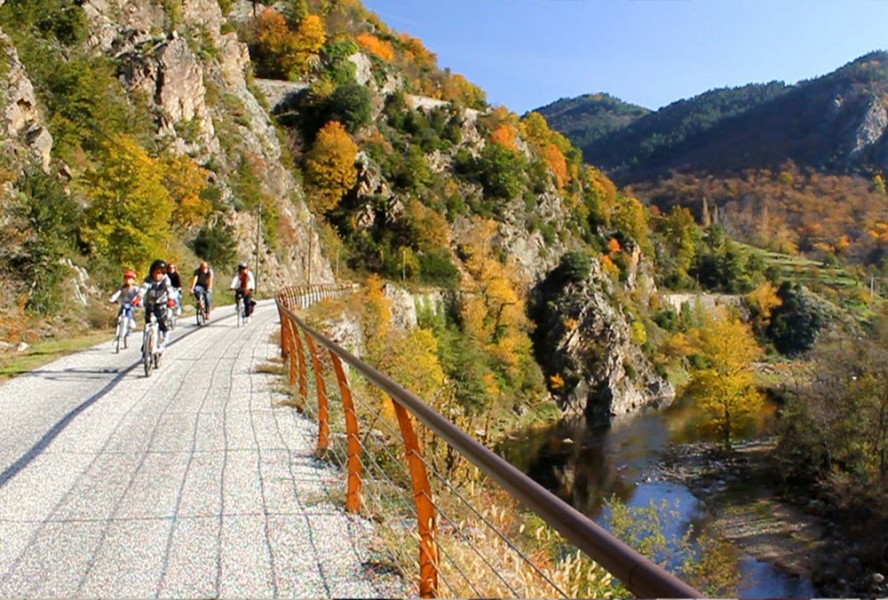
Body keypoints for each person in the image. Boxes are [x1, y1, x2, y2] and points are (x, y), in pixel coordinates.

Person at [138, 259, 177, 351]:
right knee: (147, 324)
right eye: (155, 272)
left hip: (161, 303)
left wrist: (170, 299)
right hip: (150, 303)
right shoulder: (148, 279)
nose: (157, 275)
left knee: (162, 322)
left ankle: (164, 338)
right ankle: (146, 342)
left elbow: (169, 289)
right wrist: (139, 297)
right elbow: (143, 288)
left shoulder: (165, 279)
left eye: (160, 272)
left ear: (163, 273)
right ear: (152, 272)